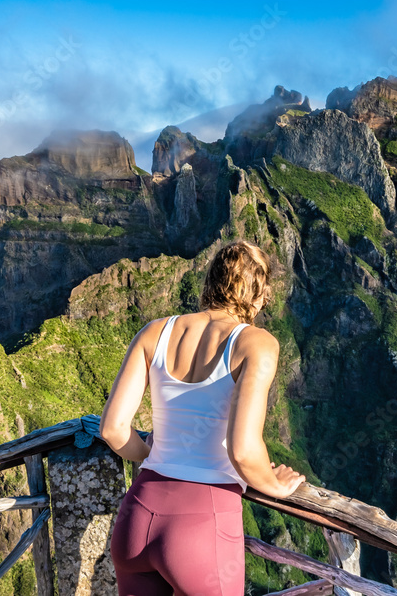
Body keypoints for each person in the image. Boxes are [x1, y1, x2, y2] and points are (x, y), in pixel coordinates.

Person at [100, 239, 306, 596]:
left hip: (137, 517)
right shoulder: (257, 344)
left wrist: (152, 453)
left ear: (211, 283)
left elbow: (113, 429)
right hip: (202, 523)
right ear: (258, 295)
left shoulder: (154, 332)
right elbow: (242, 450)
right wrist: (275, 485)